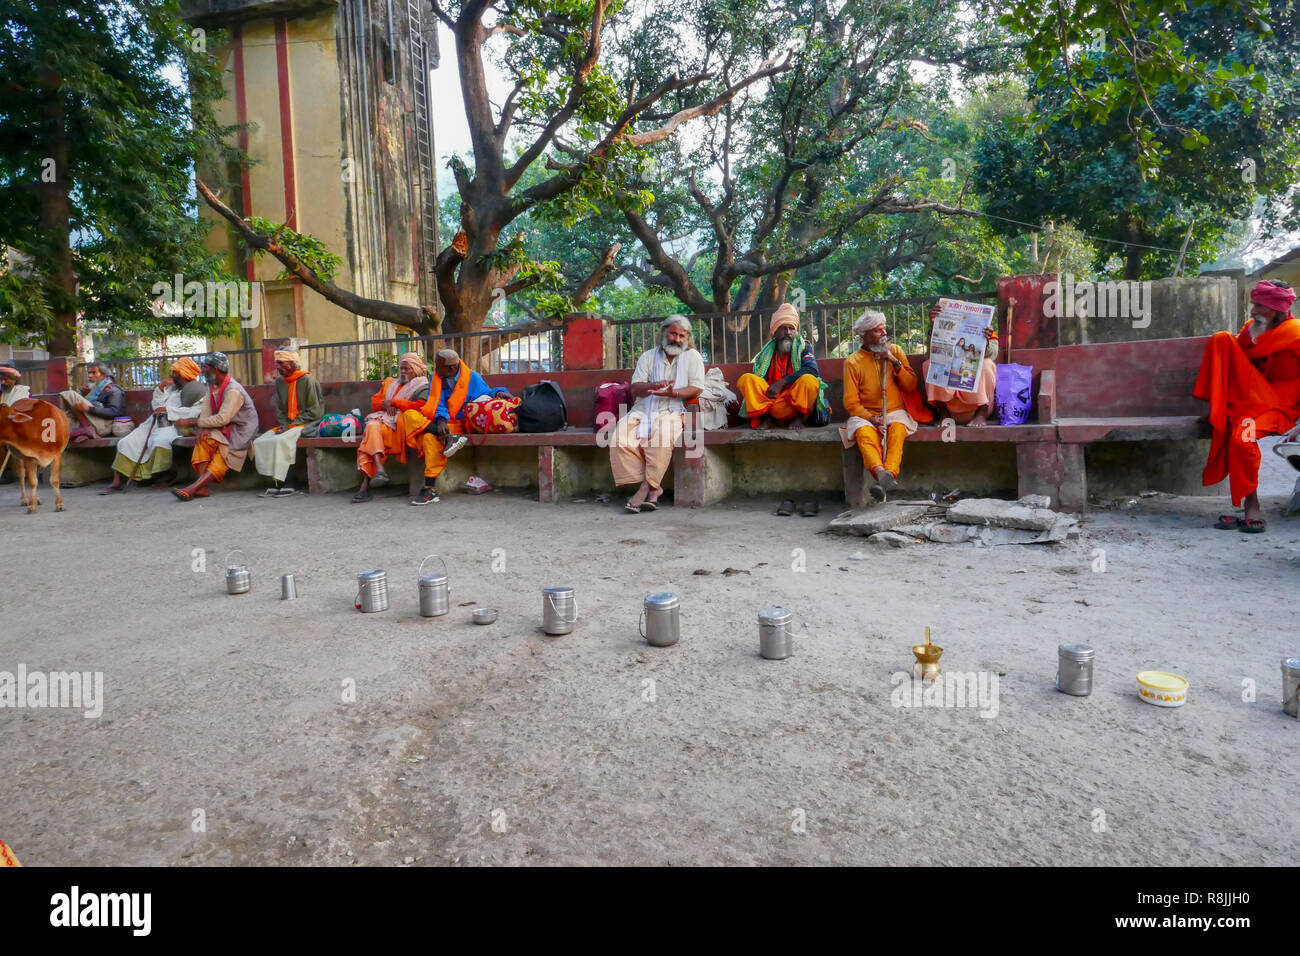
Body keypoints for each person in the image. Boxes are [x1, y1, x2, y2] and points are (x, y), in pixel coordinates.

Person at [1194, 279, 1300, 533]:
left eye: (1259, 306)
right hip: (1250, 401)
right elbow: (1234, 365)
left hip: (1279, 408)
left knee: (1242, 439)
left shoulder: (1296, 334)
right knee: (1221, 339)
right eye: (1254, 305)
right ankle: (1217, 409)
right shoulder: (1251, 332)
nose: (1253, 311)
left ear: (1276, 309)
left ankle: (1251, 506)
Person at [609, 315, 706, 512]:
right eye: (673, 333)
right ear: (663, 332)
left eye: (681, 336)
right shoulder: (648, 357)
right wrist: (653, 386)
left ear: (686, 338)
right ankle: (656, 487)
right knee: (619, 438)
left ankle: (646, 489)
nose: (677, 339)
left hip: (674, 410)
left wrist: (675, 393)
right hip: (643, 409)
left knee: (661, 436)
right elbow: (636, 389)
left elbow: (696, 388)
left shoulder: (693, 357)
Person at [398, 348, 513, 505]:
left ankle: (429, 488)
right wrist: (440, 421)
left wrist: (500, 392)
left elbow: (486, 392)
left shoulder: (472, 377)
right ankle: (448, 439)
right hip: (439, 421)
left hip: (459, 423)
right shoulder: (435, 378)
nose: (435, 369)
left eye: (439, 366)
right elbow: (437, 402)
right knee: (408, 415)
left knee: (429, 438)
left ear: (451, 368)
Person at [840, 309, 931, 501]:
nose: (884, 334)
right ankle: (882, 473)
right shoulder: (852, 362)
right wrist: (872, 418)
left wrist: (893, 361)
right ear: (864, 335)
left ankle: (885, 477)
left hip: (895, 412)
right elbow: (851, 403)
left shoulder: (895, 351)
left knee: (896, 431)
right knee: (864, 435)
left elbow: (910, 385)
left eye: (884, 329)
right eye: (877, 331)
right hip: (866, 415)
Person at [101, 357, 206, 493]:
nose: (173, 376)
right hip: (153, 423)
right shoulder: (171, 390)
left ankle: (162, 475)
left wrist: (168, 411)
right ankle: (116, 482)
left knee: (158, 442)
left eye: (176, 374)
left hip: (174, 426)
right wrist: (161, 388)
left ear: (185, 374)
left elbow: (195, 412)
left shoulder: (196, 390)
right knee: (125, 442)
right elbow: (156, 405)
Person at [171, 352, 259, 501]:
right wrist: (203, 428)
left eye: (205, 368)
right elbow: (206, 412)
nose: (203, 371)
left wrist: (193, 422)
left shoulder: (233, 390)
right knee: (203, 439)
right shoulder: (211, 386)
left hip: (241, 430)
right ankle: (202, 488)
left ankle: (193, 488)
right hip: (223, 427)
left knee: (224, 452)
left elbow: (222, 419)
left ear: (215, 369)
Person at [734, 303, 829, 429]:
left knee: (809, 380)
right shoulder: (767, 352)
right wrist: (771, 389)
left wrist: (782, 382)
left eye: (791, 328)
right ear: (775, 331)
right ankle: (767, 420)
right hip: (772, 403)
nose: (788, 332)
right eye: (783, 328)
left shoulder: (804, 347)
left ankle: (798, 419)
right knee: (747, 379)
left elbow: (812, 370)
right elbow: (760, 380)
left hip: (794, 403)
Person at [353, 352, 430, 503]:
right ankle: (380, 470)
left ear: (415, 370)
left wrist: (396, 403)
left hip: (401, 425)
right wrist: (384, 404)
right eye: (401, 368)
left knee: (371, 434)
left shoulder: (421, 385)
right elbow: (375, 401)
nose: (402, 372)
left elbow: (422, 406)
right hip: (381, 420)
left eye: (406, 369)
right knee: (371, 427)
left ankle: (365, 486)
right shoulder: (390, 383)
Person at [251, 348, 324, 497]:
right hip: (288, 425)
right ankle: (276, 482)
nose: (277, 367)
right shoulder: (279, 382)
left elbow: (315, 411)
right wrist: (285, 425)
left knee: (282, 441)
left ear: (292, 363)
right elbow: (280, 410)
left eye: (280, 363)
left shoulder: (307, 380)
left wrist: (291, 425)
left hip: (309, 423)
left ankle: (290, 482)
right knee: (262, 441)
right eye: (276, 363)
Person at [923, 302, 998, 426]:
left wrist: (985, 340)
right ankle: (943, 413)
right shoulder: (940, 328)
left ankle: (982, 413)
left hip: (975, 407)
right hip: (949, 406)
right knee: (928, 364)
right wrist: (935, 326)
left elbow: (993, 354)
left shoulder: (988, 330)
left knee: (987, 364)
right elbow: (930, 356)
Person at [60, 362, 132, 442]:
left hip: (105, 426)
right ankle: (84, 432)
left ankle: (86, 429)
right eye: (89, 373)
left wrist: (88, 408)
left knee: (70, 394)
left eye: (94, 373)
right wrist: (84, 394)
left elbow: (115, 411)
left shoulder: (114, 390)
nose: (90, 376)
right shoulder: (95, 390)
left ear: (104, 376)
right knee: (65, 419)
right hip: (95, 423)